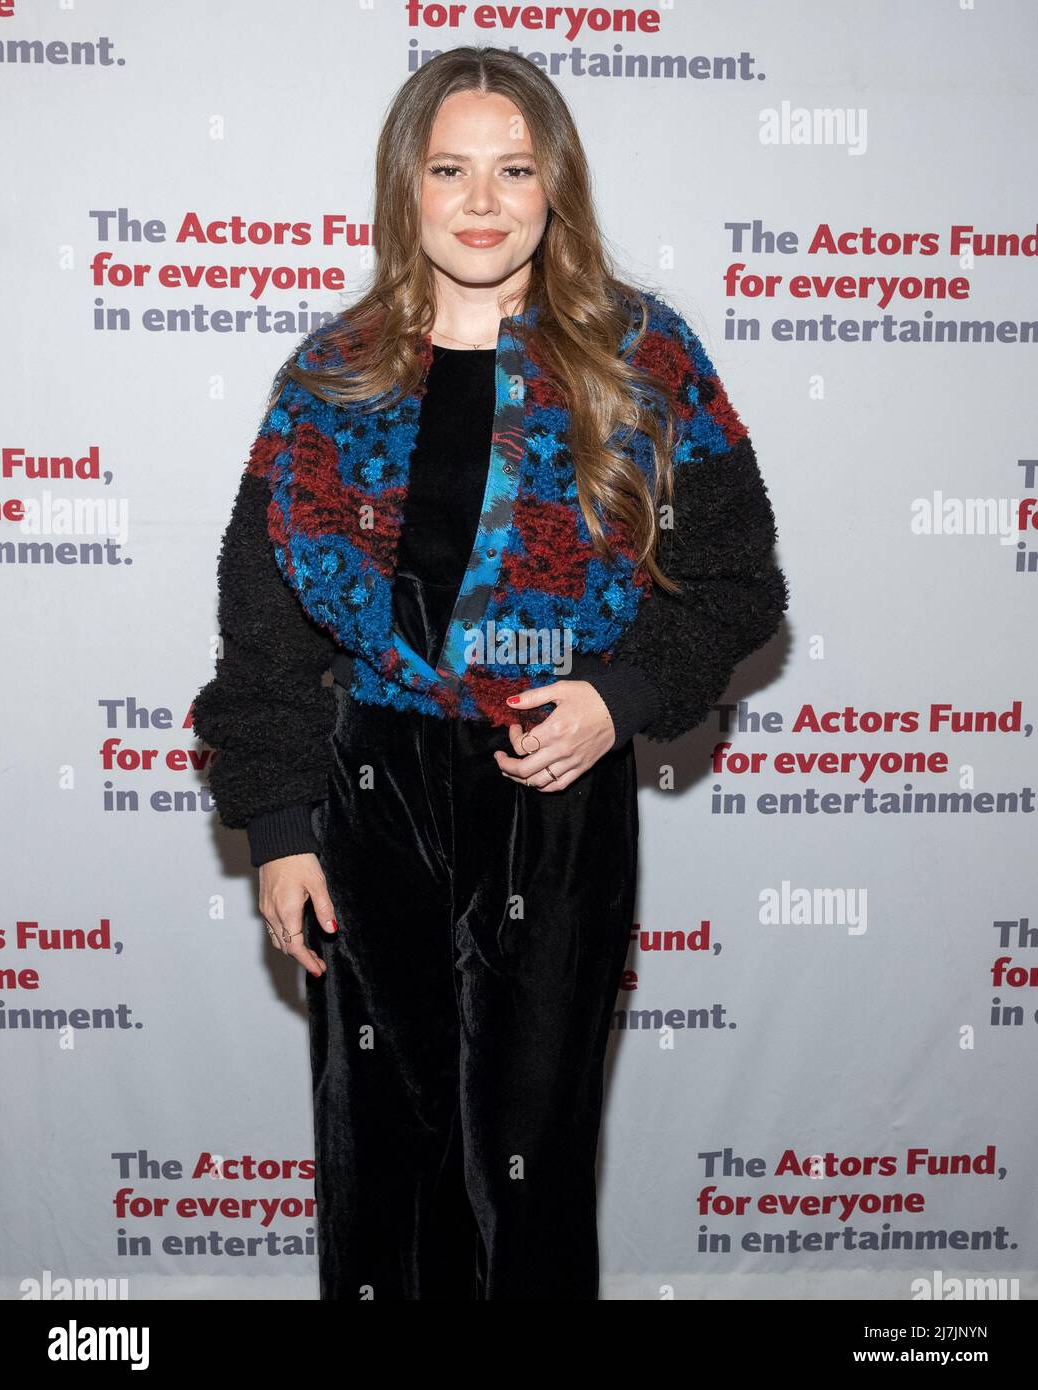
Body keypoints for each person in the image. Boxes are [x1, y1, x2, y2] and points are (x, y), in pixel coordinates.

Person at [191, 45, 789, 1301]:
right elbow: (263, 634)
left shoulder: (643, 356)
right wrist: (285, 826)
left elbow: (740, 584)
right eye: (447, 167)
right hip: (371, 796)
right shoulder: (329, 376)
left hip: (552, 786)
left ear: (553, 185)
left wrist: (618, 699)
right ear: (401, 190)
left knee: (527, 1157)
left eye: (513, 168)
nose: (479, 198)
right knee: (386, 1154)